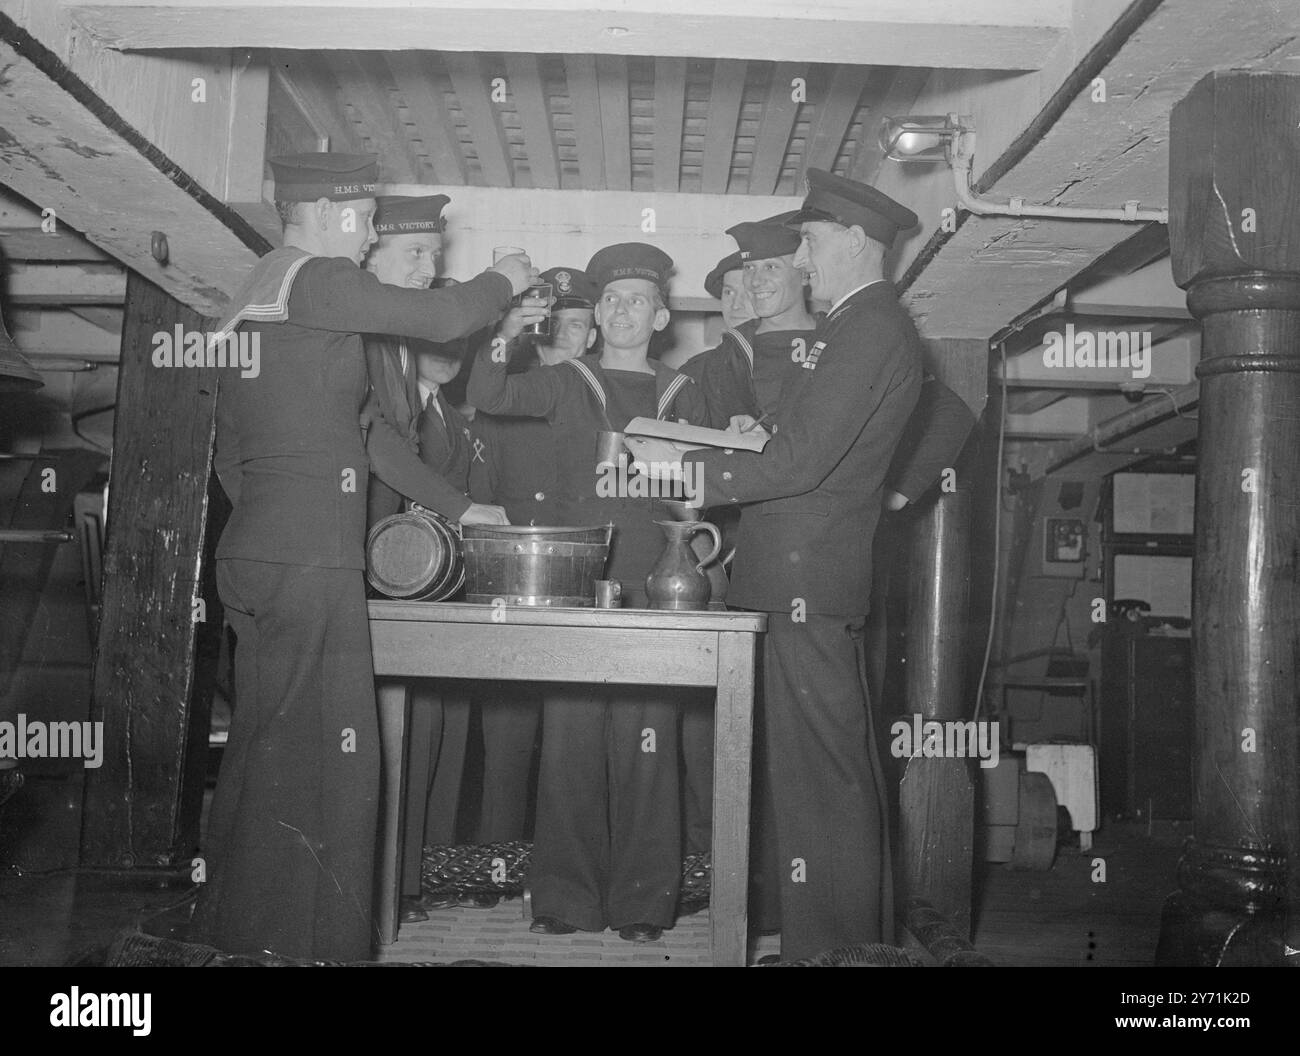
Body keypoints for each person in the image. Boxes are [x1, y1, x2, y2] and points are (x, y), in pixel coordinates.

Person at [191, 152, 534, 962]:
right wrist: (503, 280)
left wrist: (458, 505)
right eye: (367, 214)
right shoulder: (314, 278)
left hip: (258, 554)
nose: (374, 228)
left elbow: (268, 452)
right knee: (335, 757)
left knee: (269, 749)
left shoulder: (251, 298)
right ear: (322, 209)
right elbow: (445, 320)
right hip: (312, 559)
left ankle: (244, 935)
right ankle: (317, 946)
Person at [627, 169, 923, 961]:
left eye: (814, 243)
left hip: (806, 582)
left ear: (856, 243)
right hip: (798, 577)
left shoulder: (868, 329)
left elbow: (796, 464)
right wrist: (724, 440)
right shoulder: (853, 327)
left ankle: (835, 952)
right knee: (812, 778)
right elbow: (786, 446)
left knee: (823, 781)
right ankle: (822, 946)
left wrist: (680, 470)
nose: (805, 258)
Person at [467, 243, 709, 943]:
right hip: (580, 583)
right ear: (597, 313)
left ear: (661, 314)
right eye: (610, 299)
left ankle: (643, 904)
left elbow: (713, 480)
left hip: (661, 584)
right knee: (570, 738)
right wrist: (506, 331)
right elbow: (489, 395)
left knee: (648, 742)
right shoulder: (569, 380)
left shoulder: (681, 392)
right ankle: (564, 899)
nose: (621, 309)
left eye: (637, 299)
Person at [358, 194, 509, 921]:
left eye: (461, 345)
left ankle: (426, 875)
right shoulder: (384, 381)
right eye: (438, 340)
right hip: (387, 578)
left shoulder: (444, 414)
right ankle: (400, 881)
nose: (448, 354)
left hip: (430, 585)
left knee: (436, 729)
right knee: (400, 738)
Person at [467, 266, 598, 847]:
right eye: (550, 326)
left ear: (591, 336)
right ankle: (495, 861)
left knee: (580, 732)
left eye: (575, 326)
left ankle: (568, 862)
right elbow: (482, 497)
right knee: (507, 729)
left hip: (582, 578)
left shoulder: (601, 402)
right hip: (511, 580)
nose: (561, 338)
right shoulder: (501, 406)